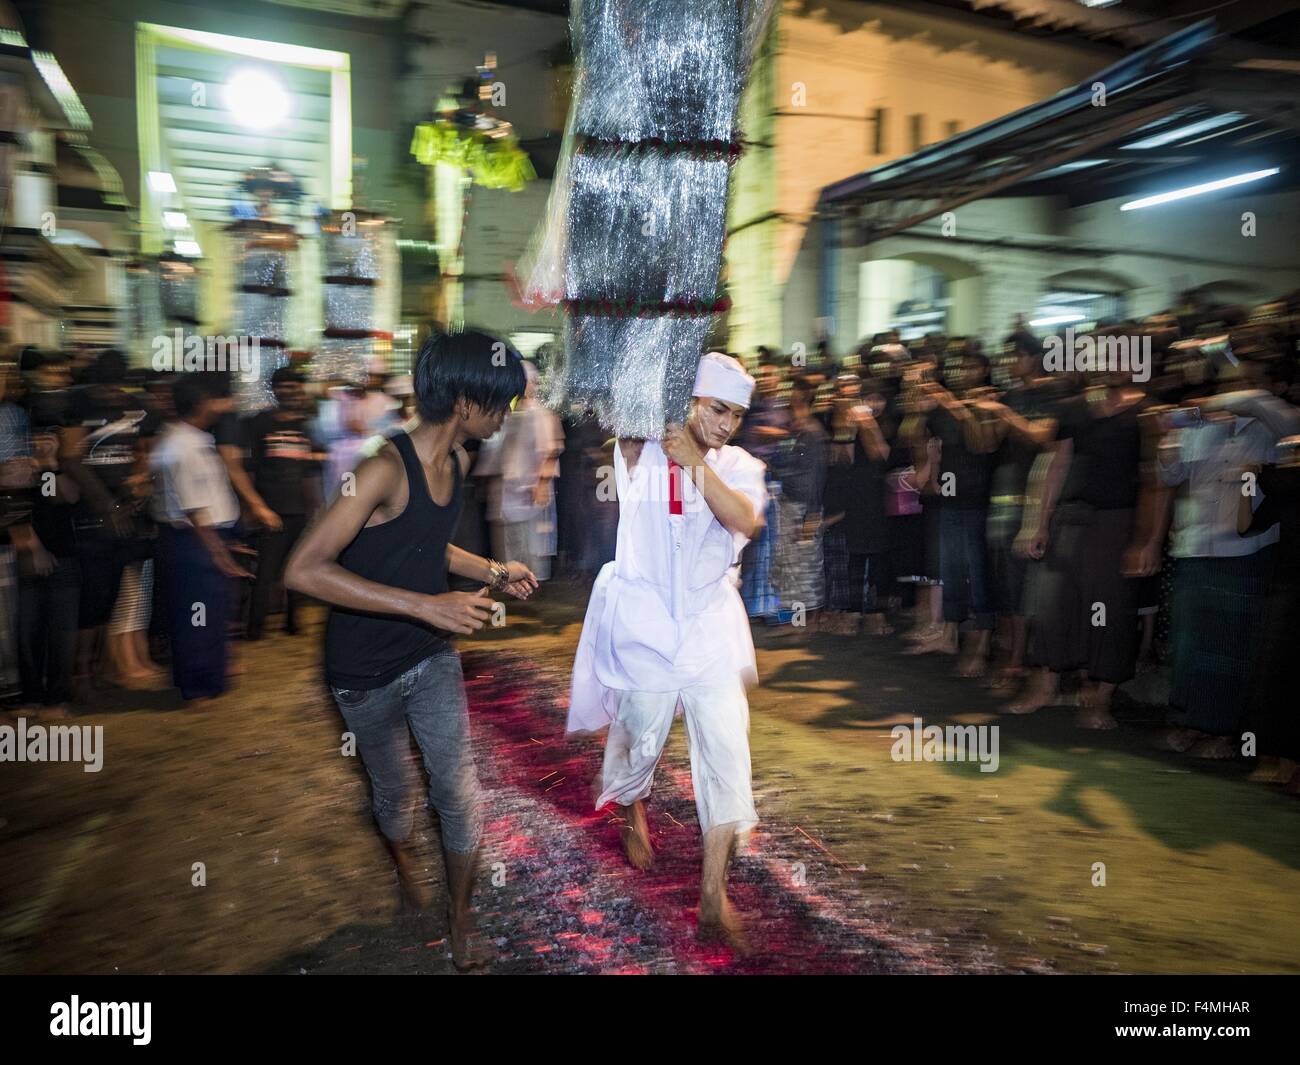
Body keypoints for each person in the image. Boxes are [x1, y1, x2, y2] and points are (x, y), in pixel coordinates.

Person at [285, 330, 537, 972]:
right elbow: (304, 569)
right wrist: (426, 604)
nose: (505, 416)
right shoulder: (379, 467)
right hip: (362, 671)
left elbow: (426, 544)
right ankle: (402, 868)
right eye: (498, 404)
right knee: (394, 799)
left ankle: (459, 917)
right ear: (462, 401)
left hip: (430, 656)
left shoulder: (455, 463)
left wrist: (490, 570)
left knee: (459, 791)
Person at [567, 351, 767, 954]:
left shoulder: (740, 465)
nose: (725, 423)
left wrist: (697, 463)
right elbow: (621, 401)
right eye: (715, 408)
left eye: (734, 413)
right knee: (639, 738)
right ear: (688, 401)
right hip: (646, 623)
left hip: (708, 625)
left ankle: (712, 891)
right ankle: (632, 809)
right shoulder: (641, 451)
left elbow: (746, 521)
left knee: (727, 751)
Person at [150, 373, 248, 705]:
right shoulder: (181, 445)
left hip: (204, 539)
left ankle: (208, 679)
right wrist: (219, 552)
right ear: (203, 402)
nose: (227, 405)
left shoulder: (193, 439)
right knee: (197, 616)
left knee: (208, 615)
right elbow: (194, 509)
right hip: (194, 541)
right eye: (220, 398)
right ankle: (196, 687)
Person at [242, 367, 324, 640]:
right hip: (270, 511)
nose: (291, 392)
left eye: (295, 387)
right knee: (266, 572)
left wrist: (315, 510)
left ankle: (292, 623)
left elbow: (310, 472)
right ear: (275, 390)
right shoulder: (260, 423)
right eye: (285, 387)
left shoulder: (304, 426)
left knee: (296, 570)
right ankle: (255, 629)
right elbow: (249, 468)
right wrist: (253, 507)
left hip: (299, 511)